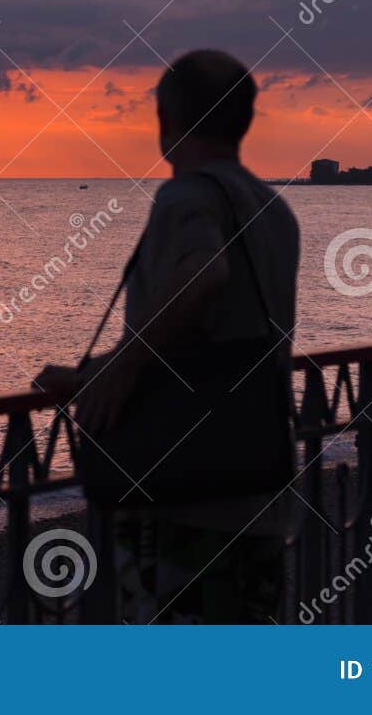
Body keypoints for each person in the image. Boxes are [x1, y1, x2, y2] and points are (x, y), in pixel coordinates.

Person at [36, 49, 300, 622]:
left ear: (167, 120)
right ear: (244, 121)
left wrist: (120, 367)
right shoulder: (274, 209)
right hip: (258, 484)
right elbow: (220, 336)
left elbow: (205, 276)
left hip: (185, 501)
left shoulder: (186, 196)